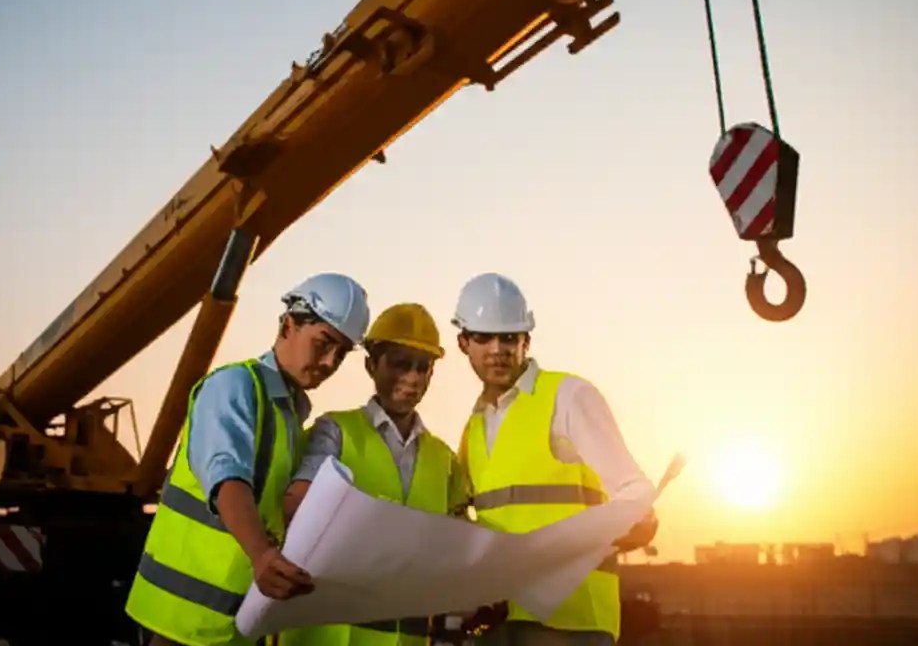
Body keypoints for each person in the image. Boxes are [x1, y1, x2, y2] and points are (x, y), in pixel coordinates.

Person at [125, 273, 371, 646]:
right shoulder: (234, 386)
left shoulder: (288, 413)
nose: (329, 362)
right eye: (323, 344)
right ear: (288, 326)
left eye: (341, 353)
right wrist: (262, 555)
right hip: (181, 619)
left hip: (231, 622)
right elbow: (227, 479)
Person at [450, 273, 659, 646]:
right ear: (463, 342)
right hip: (500, 622)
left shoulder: (568, 397)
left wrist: (626, 521)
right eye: (484, 337)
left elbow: (635, 494)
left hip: (571, 621)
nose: (498, 349)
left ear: (526, 341)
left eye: (509, 337)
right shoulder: (474, 427)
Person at [279, 302, 471, 646]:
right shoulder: (334, 432)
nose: (412, 378)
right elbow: (296, 509)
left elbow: (460, 546)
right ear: (371, 365)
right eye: (400, 363)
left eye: (423, 367)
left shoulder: (444, 460)